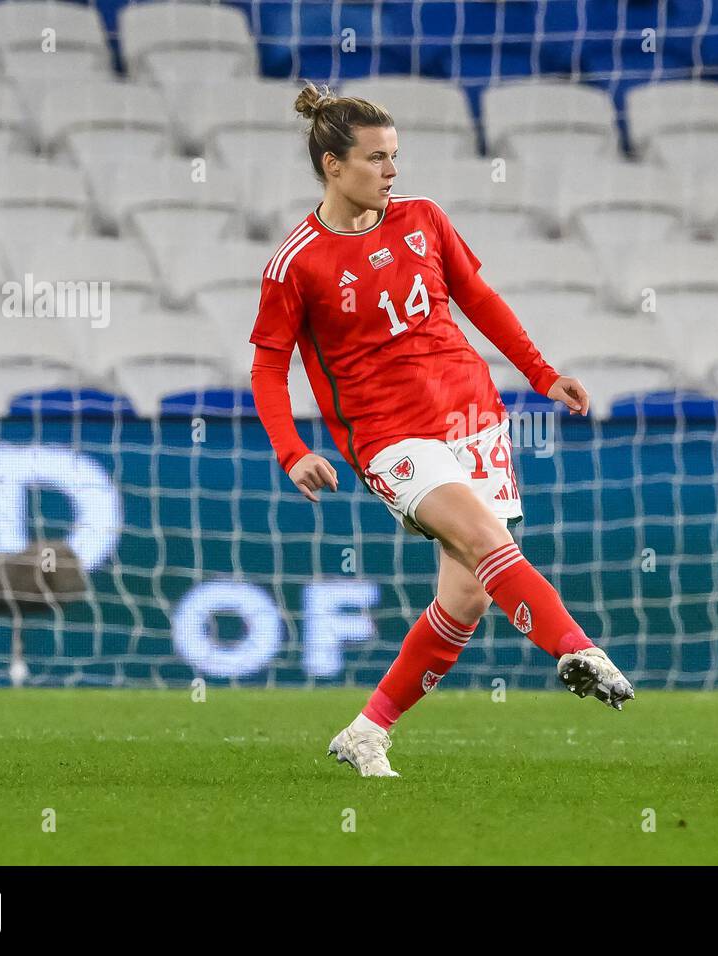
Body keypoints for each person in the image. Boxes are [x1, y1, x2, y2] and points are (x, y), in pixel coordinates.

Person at [250, 82, 634, 777]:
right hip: (392, 438)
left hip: (471, 414)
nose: (391, 172)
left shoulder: (423, 218)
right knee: (487, 539)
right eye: (375, 159)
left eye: (395, 156)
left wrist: (542, 373)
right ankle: (577, 648)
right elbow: (268, 368)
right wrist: (291, 449)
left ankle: (367, 731)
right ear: (333, 166)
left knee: (468, 594)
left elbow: (478, 299)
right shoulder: (297, 262)